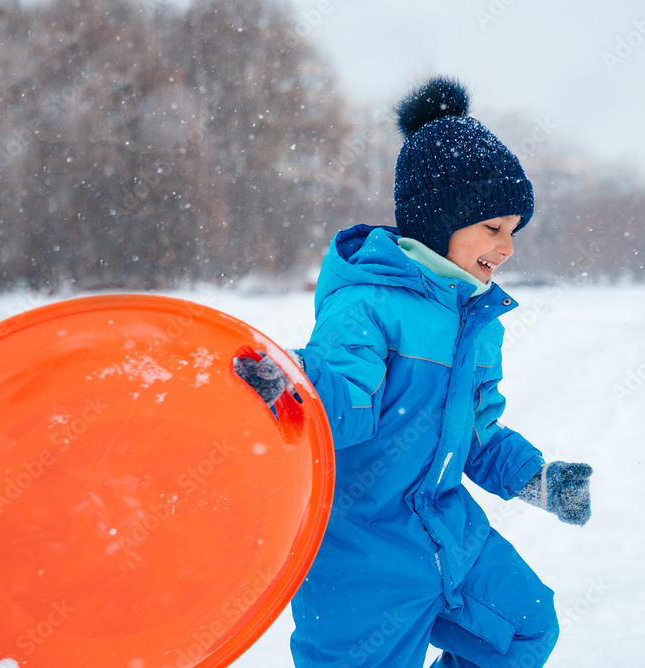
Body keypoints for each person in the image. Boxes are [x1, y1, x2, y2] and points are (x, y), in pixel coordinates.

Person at [235, 75, 592, 668]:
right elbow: (340, 404)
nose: (507, 248)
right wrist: (291, 382)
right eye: (493, 228)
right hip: (361, 555)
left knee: (526, 628)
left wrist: (541, 480)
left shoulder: (479, 323)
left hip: (450, 536)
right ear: (440, 220)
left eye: (514, 231)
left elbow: (477, 434)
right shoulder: (368, 304)